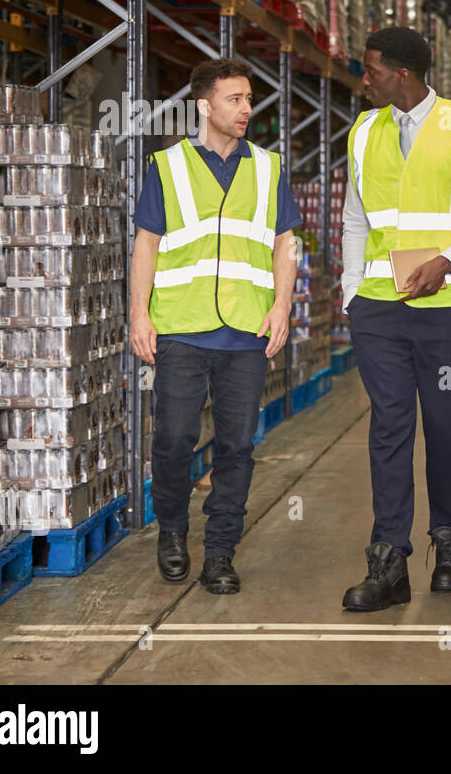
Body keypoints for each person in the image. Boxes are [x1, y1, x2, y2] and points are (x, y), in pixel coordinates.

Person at [339, 27, 451, 612]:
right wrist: (350, 295)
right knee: (388, 428)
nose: (364, 80)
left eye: (372, 70)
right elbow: (356, 218)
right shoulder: (364, 131)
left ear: (403, 74)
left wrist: (447, 260)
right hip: (380, 311)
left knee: (445, 425)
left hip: (446, 310)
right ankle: (388, 561)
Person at [128, 58, 301, 594]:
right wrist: (138, 313)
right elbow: (147, 245)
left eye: (250, 99)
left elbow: (284, 243)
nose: (246, 109)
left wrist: (283, 306)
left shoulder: (268, 168)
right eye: (235, 99)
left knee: (237, 445)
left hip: (246, 330)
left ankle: (221, 552)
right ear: (205, 106)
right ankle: (173, 532)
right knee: (175, 439)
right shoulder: (169, 165)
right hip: (182, 325)